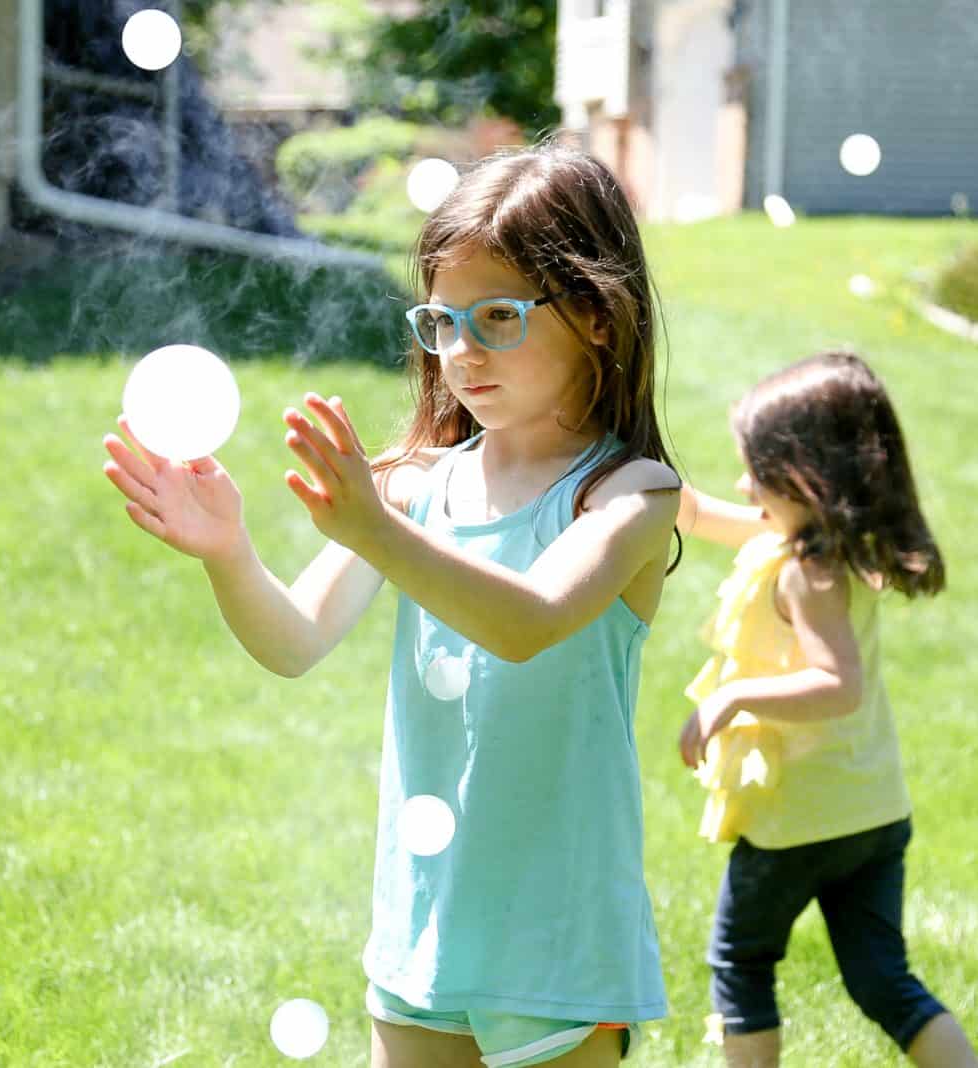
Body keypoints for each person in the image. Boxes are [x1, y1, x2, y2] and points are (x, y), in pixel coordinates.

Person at [103, 142, 682, 1068]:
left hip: (559, 941)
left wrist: (377, 530)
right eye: (442, 321)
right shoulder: (414, 490)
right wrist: (229, 553)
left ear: (597, 316)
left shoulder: (627, 496)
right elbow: (294, 641)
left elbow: (528, 621)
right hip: (424, 932)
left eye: (496, 316)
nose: (459, 352)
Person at [676, 351, 978, 1068]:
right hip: (872, 812)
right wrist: (635, 471)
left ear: (808, 477)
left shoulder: (809, 574)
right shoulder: (830, 544)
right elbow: (696, 512)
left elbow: (837, 683)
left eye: (758, 470)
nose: (744, 485)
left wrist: (730, 697)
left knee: (741, 963)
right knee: (884, 983)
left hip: (798, 818)